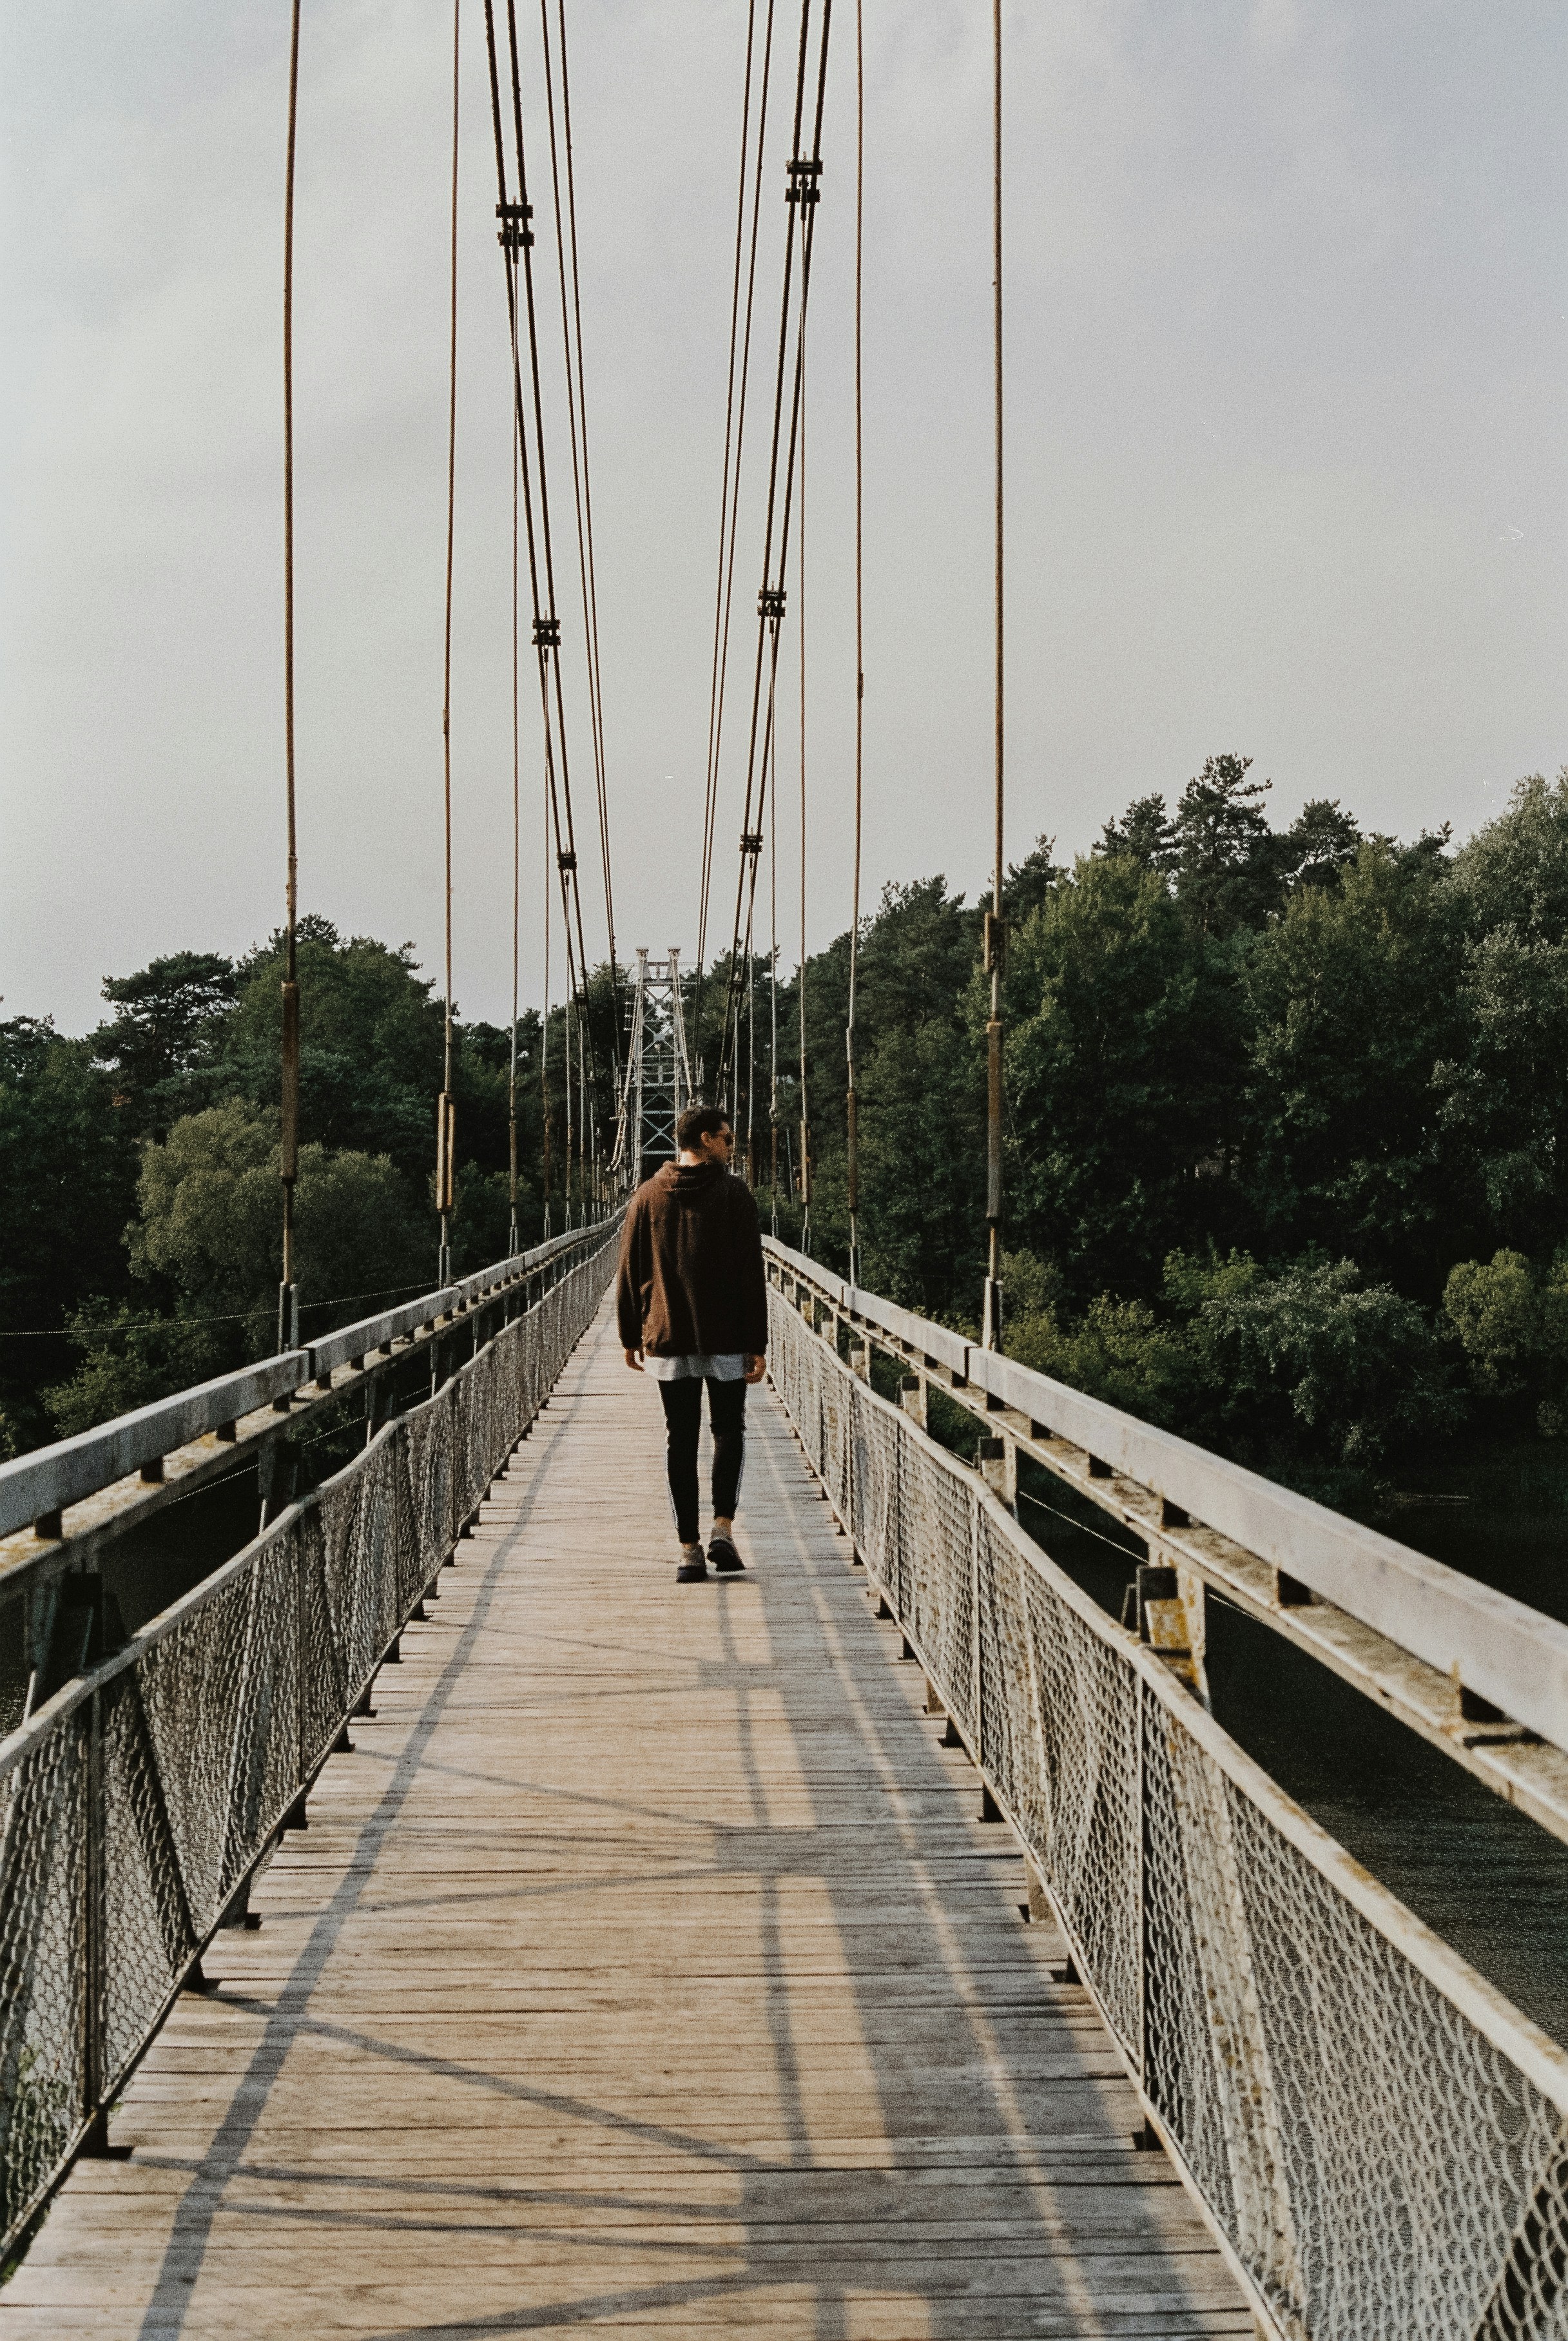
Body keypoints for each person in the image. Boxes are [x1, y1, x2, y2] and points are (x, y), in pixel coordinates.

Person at [616, 1103, 768, 1583]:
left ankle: (688, 1550)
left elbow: (630, 1270)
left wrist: (628, 1333)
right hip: (725, 1335)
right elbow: (751, 1274)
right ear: (705, 1139)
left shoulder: (645, 1196)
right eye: (726, 1138)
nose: (731, 1146)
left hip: (668, 1334)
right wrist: (756, 1341)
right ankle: (722, 1527)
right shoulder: (733, 1193)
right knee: (728, 1430)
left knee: (680, 1439)